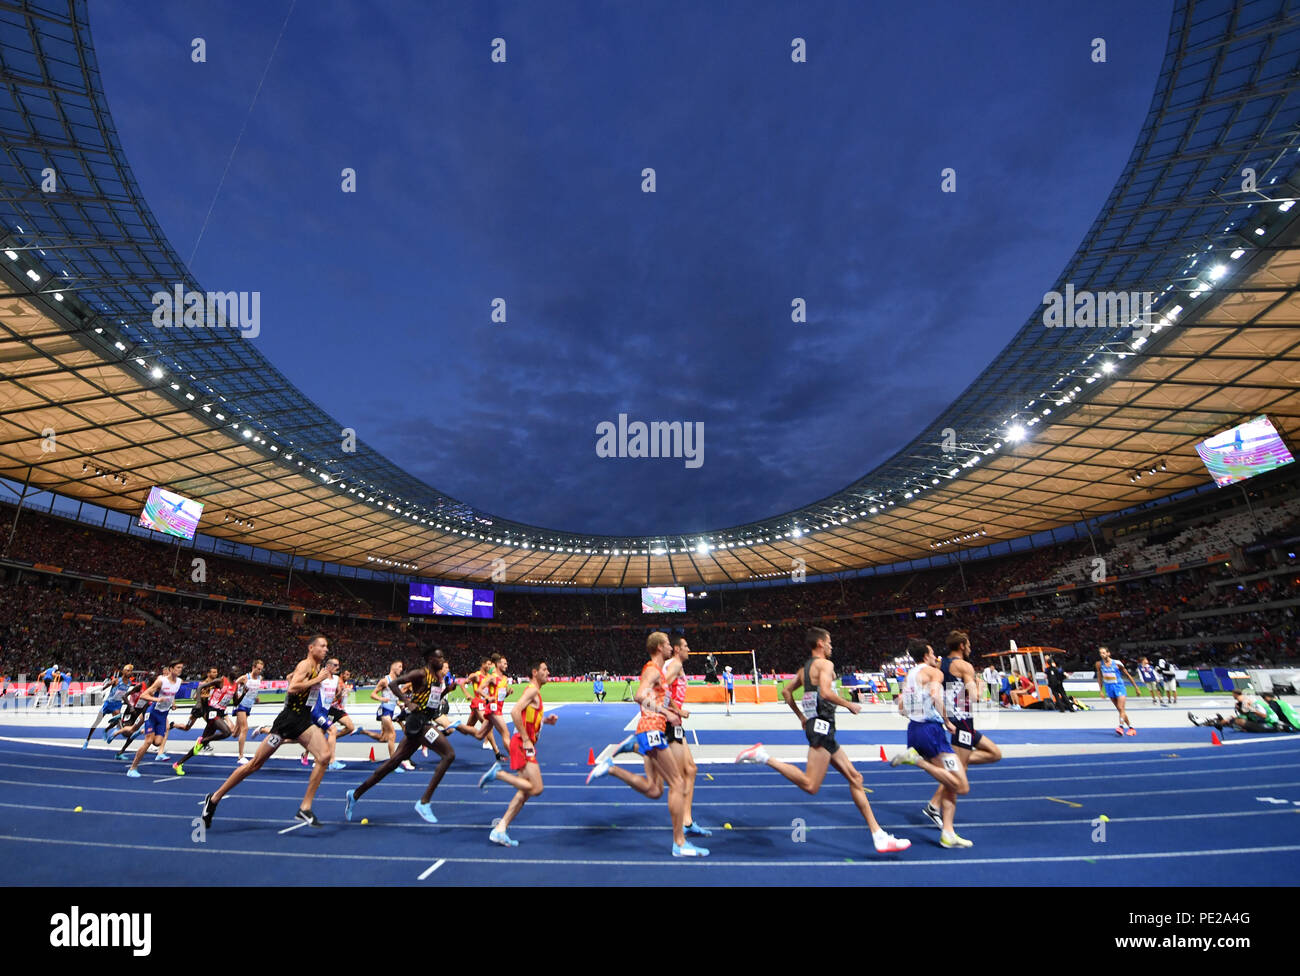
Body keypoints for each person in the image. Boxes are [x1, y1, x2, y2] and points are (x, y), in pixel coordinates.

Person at [736, 627, 911, 854]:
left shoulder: (804, 669)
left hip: (817, 726)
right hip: (822, 728)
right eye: (828, 642)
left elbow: (787, 692)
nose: (831, 646)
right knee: (811, 785)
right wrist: (849, 705)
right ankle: (763, 756)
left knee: (855, 777)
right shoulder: (825, 665)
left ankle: (879, 836)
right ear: (820, 643)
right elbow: (826, 693)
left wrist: (802, 717)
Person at [587, 632, 708, 857]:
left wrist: (672, 712)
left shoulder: (659, 671)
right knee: (678, 782)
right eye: (668, 645)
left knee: (654, 790)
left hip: (654, 729)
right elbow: (639, 695)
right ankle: (679, 843)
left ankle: (610, 767)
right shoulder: (653, 669)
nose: (671, 648)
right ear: (660, 647)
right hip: (652, 729)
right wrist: (667, 712)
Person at [200, 635, 337, 829]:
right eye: (322, 646)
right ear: (311, 648)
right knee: (255, 764)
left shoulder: (316, 668)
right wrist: (318, 679)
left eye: (327, 647)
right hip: (288, 722)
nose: (326, 650)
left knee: (324, 757)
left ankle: (305, 808)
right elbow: (293, 688)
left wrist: (319, 679)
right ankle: (213, 799)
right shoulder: (306, 665)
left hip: (303, 720)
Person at [346, 647, 457, 824]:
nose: (443, 660)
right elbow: (392, 684)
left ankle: (355, 793)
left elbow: (431, 701)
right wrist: (406, 702)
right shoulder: (420, 673)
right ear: (430, 658)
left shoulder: (437, 677)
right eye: (439, 657)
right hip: (417, 723)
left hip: (423, 721)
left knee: (392, 763)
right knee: (449, 754)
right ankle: (424, 802)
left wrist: (447, 691)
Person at [890, 641, 971, 848]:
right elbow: (935, 695)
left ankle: (948, 833)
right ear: (926, 655)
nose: (936, 656)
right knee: (961, 785)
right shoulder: (934, 673)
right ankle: (917, 760)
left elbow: (900, 707)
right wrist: (946, 720)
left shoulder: (909, 676)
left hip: (915, 730)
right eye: (933, 652)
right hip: (932, 732)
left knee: (950, 783)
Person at [922, 632, 1001, 832]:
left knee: (995, 754)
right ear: (962, 645)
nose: (970, 647)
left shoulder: (941, 665)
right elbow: (974, 697)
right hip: (963, 721)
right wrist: (982, 687)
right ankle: (934, 806)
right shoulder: (965, 666)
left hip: (957, 720)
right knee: (959, 770)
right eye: (969, 644)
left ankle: (951, 765)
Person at [477, 659, 558, 847]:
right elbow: (514, 712)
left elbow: (527, 716)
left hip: (522, 743)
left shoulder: (534, 692)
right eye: (544, 669)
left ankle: (501, 828)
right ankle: (499, 773)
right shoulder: (532, 690)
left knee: (524, 792)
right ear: (535, 672)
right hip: (522, 744)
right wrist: (527, 739)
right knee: (536, 788)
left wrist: (545, 721)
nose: (548, 672)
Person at [662, 636, 711, 838]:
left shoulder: (674, 665)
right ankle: (682, 825)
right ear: (676, 649)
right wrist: (677, 710)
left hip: (675, 723)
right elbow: (661, 689)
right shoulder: (674, 665)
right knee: (681, 776)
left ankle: (688, 822)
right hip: (670, 722)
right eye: (686, 646)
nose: (689, 649)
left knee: (691, 769)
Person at [126, 661, 185, 777]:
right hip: (152, 713)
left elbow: (171, 695)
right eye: (178, 667)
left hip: (163, 715)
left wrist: (173, 703)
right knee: (148, 742)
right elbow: (144, 695)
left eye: (181, 668)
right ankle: (132, 768)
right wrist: (157, 700)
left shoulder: (179, 681)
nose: (180, 669)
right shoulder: (161, 681)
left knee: (157, 743)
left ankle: (142, 730)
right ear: (171, 669)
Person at [172, 673, 237, 775]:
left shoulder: (235, 685)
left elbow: (236, 702)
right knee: (227, 732)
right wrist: (198, 703)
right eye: (213, 672)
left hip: (220, 713)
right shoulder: (219, 681)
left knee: (201, 745)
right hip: (210, 711)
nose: (215, 674)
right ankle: (203, 739)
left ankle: (178, 764)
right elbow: (200, 689)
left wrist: (245, 694)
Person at [358, 660, 412, 770]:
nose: (401, 669)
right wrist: (381, 698)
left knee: (383, 738)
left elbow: (393, 696)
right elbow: (372, 694)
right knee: (392, 736)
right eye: (399, 667)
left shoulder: (397, 681)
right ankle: (392, 765)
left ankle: (362, 731)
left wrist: (399, 704)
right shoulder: (384, 680)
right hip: (384, 710)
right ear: (393, 668)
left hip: (391, 711)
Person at [1190, 689, 1297, 733]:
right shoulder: (1248, 706)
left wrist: (1249, 710)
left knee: (1235, 721)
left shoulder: (1256, 704)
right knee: (1232, 719)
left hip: (1269, 724)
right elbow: (1246, 714)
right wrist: (1240, 711)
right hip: (1265, 722)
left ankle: (1207, 722)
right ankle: (1203, 721)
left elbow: (1263, 716)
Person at [84, 665, 135, 748]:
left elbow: (123, 695)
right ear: (123, 671)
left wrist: (129, 705)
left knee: (118, 722)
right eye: (128, 671)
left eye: (131, 671)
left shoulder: (129, 683)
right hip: (108, 703)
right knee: (97, 722)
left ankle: (108, 732)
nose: (130, 672)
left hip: (117, 704)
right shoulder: (117, 680)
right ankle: (87, 740)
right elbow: (106, 686)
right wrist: (101, 688)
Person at [1096, 646, 1139, 736]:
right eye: (1100, 653)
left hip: (1119, 687)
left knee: (1120, 707)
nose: (1102, 654)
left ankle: (1121, 727)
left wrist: (1136, 688)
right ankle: (1131, 728)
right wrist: (1100, 690)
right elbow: (1100, 677)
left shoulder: (1117, 663)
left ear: (1108, 653)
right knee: (1120, 710)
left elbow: (1127, 675)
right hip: (1109, 688)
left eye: (1104, 652)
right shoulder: (1099, 664)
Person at [231, 660, 265, 765]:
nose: (259, 671)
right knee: (245, 729)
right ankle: (240, 756)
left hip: (249, 706)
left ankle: (225, 720)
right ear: (253, 667)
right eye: (258, 669)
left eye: (261, 669)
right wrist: (236, 697)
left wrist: (256, 698)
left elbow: (254, 690)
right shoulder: (244, 678)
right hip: (241, 705)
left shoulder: (260, 678)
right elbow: (232, 686)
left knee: (235, 733)